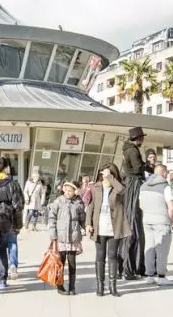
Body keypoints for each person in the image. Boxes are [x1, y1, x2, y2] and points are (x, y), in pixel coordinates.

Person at [85, 163, 131, 297]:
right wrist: (88, 223)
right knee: (100, 256)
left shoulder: (117, 187)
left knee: (112, 256)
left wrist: (111, 178)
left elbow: (122, 190)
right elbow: (91, 207)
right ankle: (100, 286)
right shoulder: (96, 187)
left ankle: (113, 286)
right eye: (102, 174)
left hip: (113, 226)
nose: (103, 176)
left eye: (106, 174)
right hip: (99, 226)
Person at [0, 157, 24, 287]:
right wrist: (18, 225)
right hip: (6, 220)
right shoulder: (12, 184)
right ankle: (3, 279)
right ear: (6, 168)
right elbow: (18, 206)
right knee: (3, 249)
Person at [139, 163, 173, 287]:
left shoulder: (143, 186)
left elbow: (140, 205)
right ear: (164, 173)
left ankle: (149, 275)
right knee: (162, 250)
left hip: (147, 220)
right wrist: (170, 220)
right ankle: (161, 276)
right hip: (162, 221)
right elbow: (171, 207)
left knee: (149, 247)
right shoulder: (165, 187)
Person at [48, 181, 86, 295]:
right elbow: (52, 219)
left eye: (71, 191)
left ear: (75, 191)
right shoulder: (58, 202)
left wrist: (87, 227)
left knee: (72, 264)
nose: (68, 193)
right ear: (64, 190)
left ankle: (72, 287)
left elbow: (82, 219)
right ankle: (60, 286)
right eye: (67, 190)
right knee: (60, 263)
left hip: (73, 238)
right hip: (61, 238)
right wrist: (53, 235)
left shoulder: (78, 203)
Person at [120, 127, 147, 280]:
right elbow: (138, 168)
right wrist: (147, 168)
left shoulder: (127, 150)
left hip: (130, 185)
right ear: (138, 139)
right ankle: (129, 268)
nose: (142, 140)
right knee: (133, 229)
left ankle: (129, 267)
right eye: (141, 138)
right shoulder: (134, 151)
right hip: (134, 185)